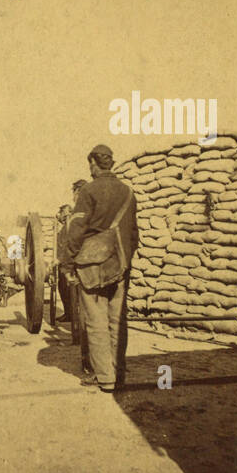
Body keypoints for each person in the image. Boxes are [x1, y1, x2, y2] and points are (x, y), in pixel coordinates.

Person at [66, 145, 138, 392]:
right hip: (120, 265)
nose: (90, 168)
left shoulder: (88, 190)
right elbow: (134, 234)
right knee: (117, 321)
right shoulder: (128, 192)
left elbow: (76, 230)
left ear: (95, 164)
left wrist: (68, 262)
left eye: (91, 165)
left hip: (92, 268)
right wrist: (125, 261)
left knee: (96, 322)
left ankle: (105, 378)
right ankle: (119, 375)